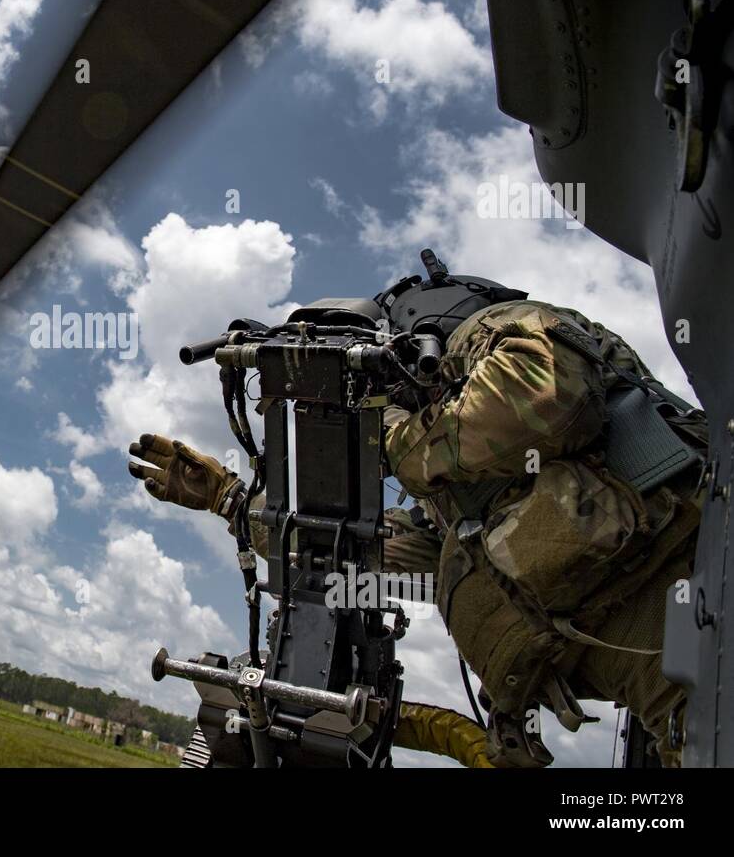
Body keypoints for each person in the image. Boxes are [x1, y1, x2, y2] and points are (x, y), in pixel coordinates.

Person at [128, 263, 707, 767]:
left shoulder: (490, 329)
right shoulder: (462, 509)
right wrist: (229, 499)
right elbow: (354, 558)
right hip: (672, 705)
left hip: (704, 638)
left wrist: (398, 443)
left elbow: (548, 388)